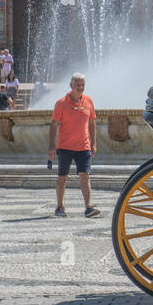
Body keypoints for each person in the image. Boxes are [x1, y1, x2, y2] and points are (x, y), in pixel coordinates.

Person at [47, 73, 100, 218]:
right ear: (71, 85)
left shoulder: (89, 101)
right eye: (77, 85)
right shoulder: (61, 103)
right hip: (65, 146)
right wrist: (52, 146)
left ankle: (88, 207)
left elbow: (92, 123)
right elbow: (53, 125)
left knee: (85, 175)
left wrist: (94, 143)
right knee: (63, 177)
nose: (80, 87)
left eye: (82, 85)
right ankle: (59, 206)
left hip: (84, 146)